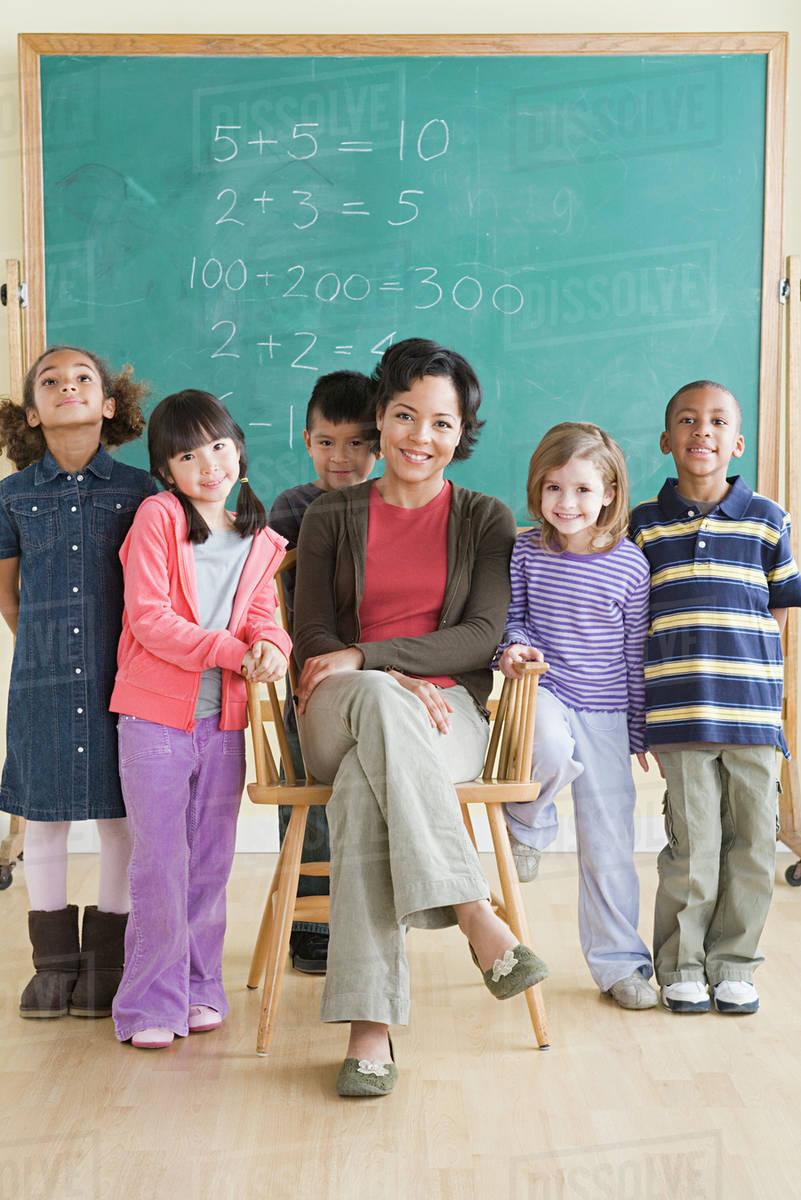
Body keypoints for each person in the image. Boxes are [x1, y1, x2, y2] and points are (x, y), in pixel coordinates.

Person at [293, 338, 548, 1098]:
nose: (419, 437)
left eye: (441, 423)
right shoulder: (330, 514)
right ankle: (476, 913)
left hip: (448, 719)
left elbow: (479, 635)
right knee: (375, 703)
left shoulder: (483, 517)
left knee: (370, 786)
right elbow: (311, 636)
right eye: (404, 416)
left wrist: (377, 662)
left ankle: (370, 1033)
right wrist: (387, 673)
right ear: (381, 416)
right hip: (339, 711)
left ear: (459, 433)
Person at [109, 390, 292, 1048]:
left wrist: (273, 645)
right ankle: (148, 1003)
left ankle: (199, 985)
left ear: (238, 449)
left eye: (217, 445)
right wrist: (232, 651)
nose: (208, 463)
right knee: (159, 863)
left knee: (210, 862)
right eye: (188, 454)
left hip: (225, 723)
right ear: (167, 470)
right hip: (154, 717)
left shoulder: (260, 536)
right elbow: (149, 619)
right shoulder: (159, 517)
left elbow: (264, 615)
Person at [630, 380, 801, 1014]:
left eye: (717, 421)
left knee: (754, 842)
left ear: (738, 441)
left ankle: (734, 964)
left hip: (754, 716)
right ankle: (681, 964)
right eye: (687, 419)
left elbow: (780, 610)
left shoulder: (768, 518)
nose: (702, 430)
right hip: (679, 713)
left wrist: (760, 685)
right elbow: (631, 616)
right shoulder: (642, 525)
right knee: (692, 843)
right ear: (667, 439)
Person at [0, 345, 156, 1019]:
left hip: (121, 682)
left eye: (83, 378)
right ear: (32, 413)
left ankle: (107, 964)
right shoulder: (12, 496)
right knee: (44, 819)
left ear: (109, 405)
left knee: (119, 819)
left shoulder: (140, 491)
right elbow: (8, 595)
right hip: (39, 681)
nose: (68, 386)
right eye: (51, 382)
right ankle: (52, 967)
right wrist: (43, 652)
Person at [495, 422, 656, 1010]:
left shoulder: (631, 566)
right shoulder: (526, 551)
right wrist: (511, 649)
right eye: (553, 489)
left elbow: (636, 651)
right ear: (537, 490)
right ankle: (529, 826)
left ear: (610, 492)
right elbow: (512, 619)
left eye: (583, 490)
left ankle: (621, 964)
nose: (567, 503)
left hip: (609, 709)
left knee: (610, 841)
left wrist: (639, 729)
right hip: (548, 689)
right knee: (549, 747)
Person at [268, 371, 377, 974]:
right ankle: (311, 923)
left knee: (369, 805)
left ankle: (365, 917)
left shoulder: (393, 501)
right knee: (310, 805)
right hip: (307, 682)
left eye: (358, 442)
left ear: (380, 445)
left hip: (381, 681)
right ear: (307, 441)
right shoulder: (294, 506)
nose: (342, 456)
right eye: (328, 442)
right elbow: (271, 585)